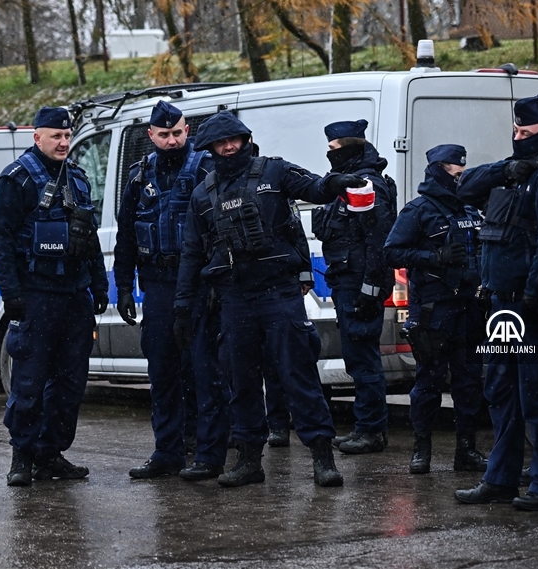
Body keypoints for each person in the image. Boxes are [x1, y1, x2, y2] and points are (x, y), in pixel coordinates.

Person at [174, 111, 366, 487]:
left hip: (278, 293)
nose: (229, 147)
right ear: (210, 148)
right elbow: (192, 254)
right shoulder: (202, 194)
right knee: (241, 382)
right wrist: (183, 306)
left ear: (245, 139)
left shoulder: (274, 172)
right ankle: (249, 461)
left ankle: (322, 458)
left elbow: (314, 187)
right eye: (220, 143)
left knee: (299, 376)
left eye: (234, 140)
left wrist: (336, 183)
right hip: (233, 299)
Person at [454, 91, 538, 511]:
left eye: (527, 132)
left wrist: (537, 294)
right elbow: (464, 188)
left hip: (531, 306)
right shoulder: (515, 171)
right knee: (501, 393)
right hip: (501, 305)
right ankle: (500, 478)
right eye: (515, 131)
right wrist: (503, 169)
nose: (519, 137)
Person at [0, 106, 109, 487]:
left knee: (71, 383)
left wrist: (99, 285)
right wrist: (12, 294)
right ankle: (22, 456)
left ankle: (50, 453)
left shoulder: (78, 180)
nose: (63, 142)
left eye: (67, 136)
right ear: (37, 137)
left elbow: (89, 239)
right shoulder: (16, 180)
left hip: (74, 297)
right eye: (56, 136)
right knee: (30, 381)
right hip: (37, 296)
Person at [113, 101, 225, 480]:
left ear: (187, 130)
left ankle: (206, 450)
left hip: (197, 285)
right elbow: (126, 237)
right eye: (164, 134)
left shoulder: (207, 170)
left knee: (203, 371)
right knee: (162, 372)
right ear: (151, 135)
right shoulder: (138, 177)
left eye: (177, 133)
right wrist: (124, 287)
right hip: (158, 287)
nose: (172, 140)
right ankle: (167, 451)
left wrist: (218, 282)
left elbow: (221, 231)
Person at [383, 144, 488, 475]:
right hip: (433, 309)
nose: (460, 178)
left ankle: (466, 450)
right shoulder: (418, 211)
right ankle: (421, 449)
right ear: (438, 171)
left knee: (469, 382)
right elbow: (391, 252)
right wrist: (434, 257)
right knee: (428, 382)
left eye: (463, 173)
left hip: (468, 306)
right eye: (455, 173)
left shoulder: (471, 210)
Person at [312, 119, 396, 455]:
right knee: (357, 358)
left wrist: (370, 289)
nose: (329, 154)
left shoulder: (365, 184)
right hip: (347, 280)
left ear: (348, 147)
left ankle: (371, 430)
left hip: (359, 282)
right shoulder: (346, 181)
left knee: (363, 359)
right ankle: (367, 427)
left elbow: (378, 240)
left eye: (333, 148)